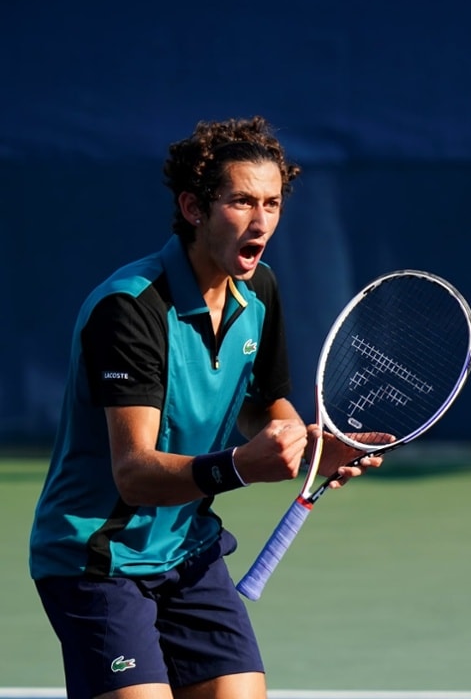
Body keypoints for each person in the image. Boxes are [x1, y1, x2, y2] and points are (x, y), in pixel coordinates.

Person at [28, 116, 381, 699]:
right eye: (241, 201)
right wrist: (242, 466)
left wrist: (313, 447)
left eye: (272, 202)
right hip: (98, 557)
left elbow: (265, 404)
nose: (262, 220)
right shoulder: (130, 310)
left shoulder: (259, 288)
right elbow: (134, 473)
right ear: (194, 208)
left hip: (187, 548)